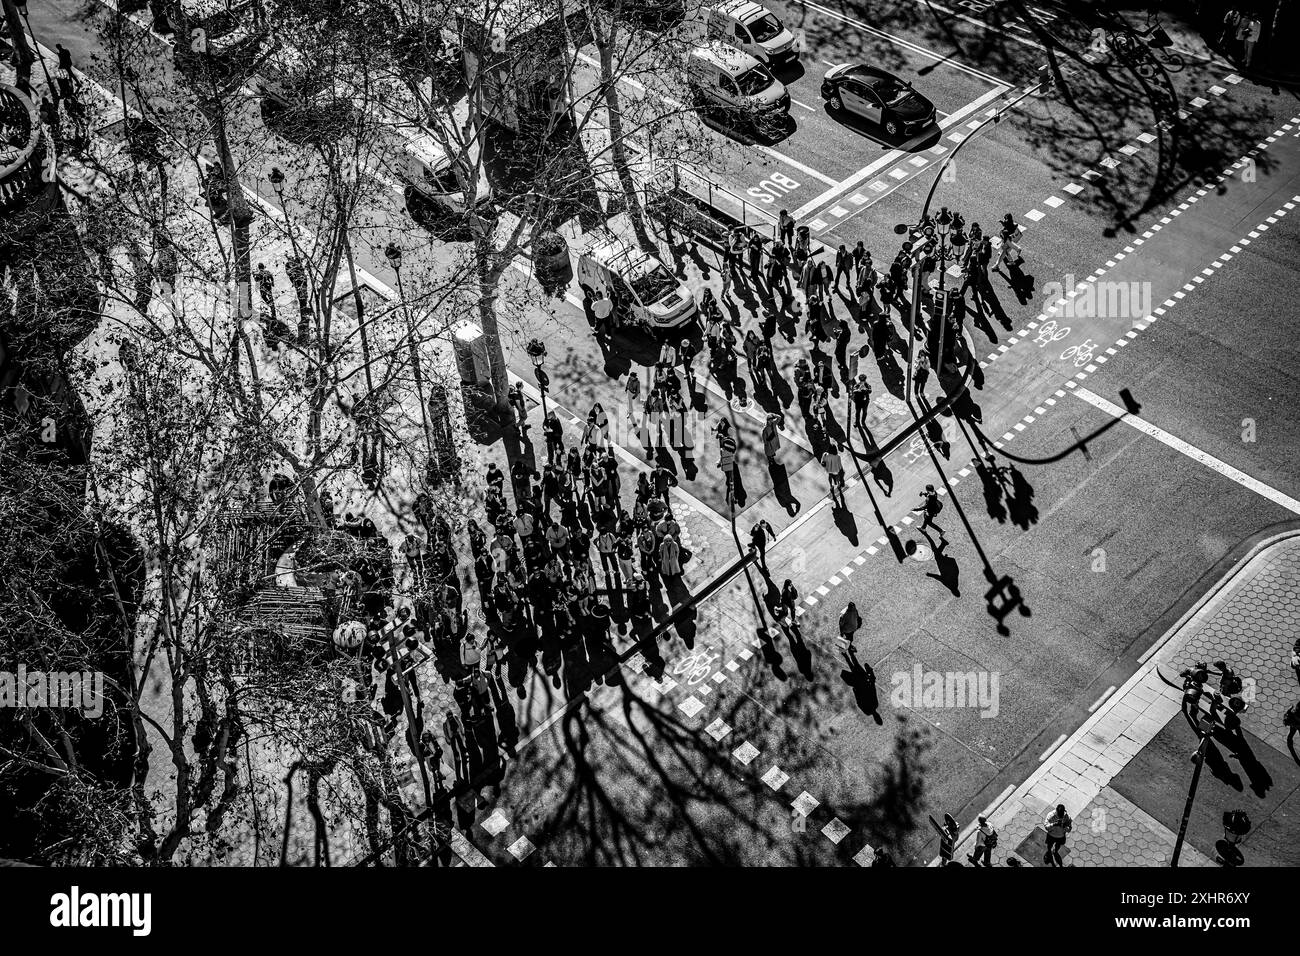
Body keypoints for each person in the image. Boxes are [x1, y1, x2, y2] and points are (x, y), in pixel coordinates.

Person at [821, 442, 845, 507]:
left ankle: (831, 486)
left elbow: (822, 462)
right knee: (838, 478)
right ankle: (839, 485)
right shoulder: (838, 457)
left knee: (830, 477)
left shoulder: (825, 455)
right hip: (836, 471)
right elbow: (840, 466)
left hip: (829, 470)